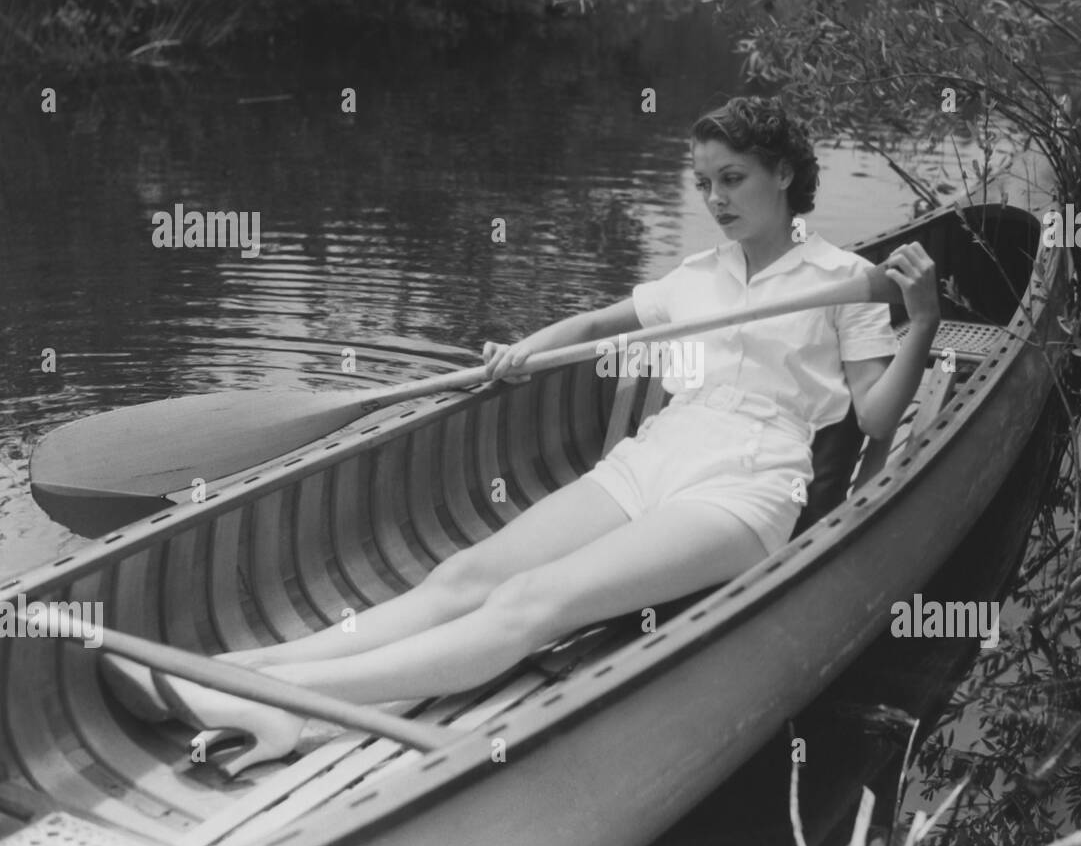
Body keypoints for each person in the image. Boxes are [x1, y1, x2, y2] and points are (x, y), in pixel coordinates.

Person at [103, 96, 940, 775]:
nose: (716, 200)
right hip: (659, 456)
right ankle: (246, 676)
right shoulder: (696, 277)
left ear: (784, 174)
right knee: (468, 573)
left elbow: (873, 419)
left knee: (534, 604)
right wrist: (524, 352)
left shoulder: (843, 280)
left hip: (749, 487)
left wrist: (924, 325)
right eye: (703, 184)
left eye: (733, 178)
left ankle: (287, 706)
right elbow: (596, 320)